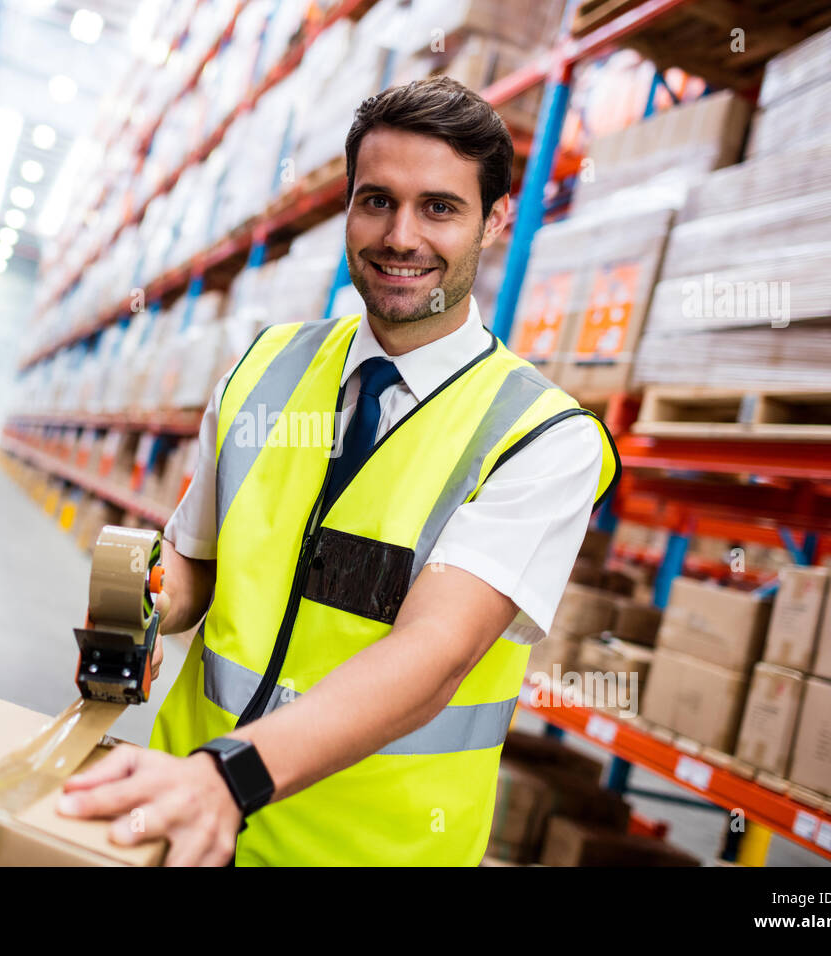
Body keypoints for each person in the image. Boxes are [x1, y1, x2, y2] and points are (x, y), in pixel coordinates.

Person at [56, 76, 619, 866]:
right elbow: (200, 560)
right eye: (377, 201)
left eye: (440, 208)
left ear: (493, 221)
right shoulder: (264, 368)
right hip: (182, 822)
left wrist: (232, 778)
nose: (400, 236)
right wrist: (146, 601)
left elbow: (436, 655)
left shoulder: (545, 438)